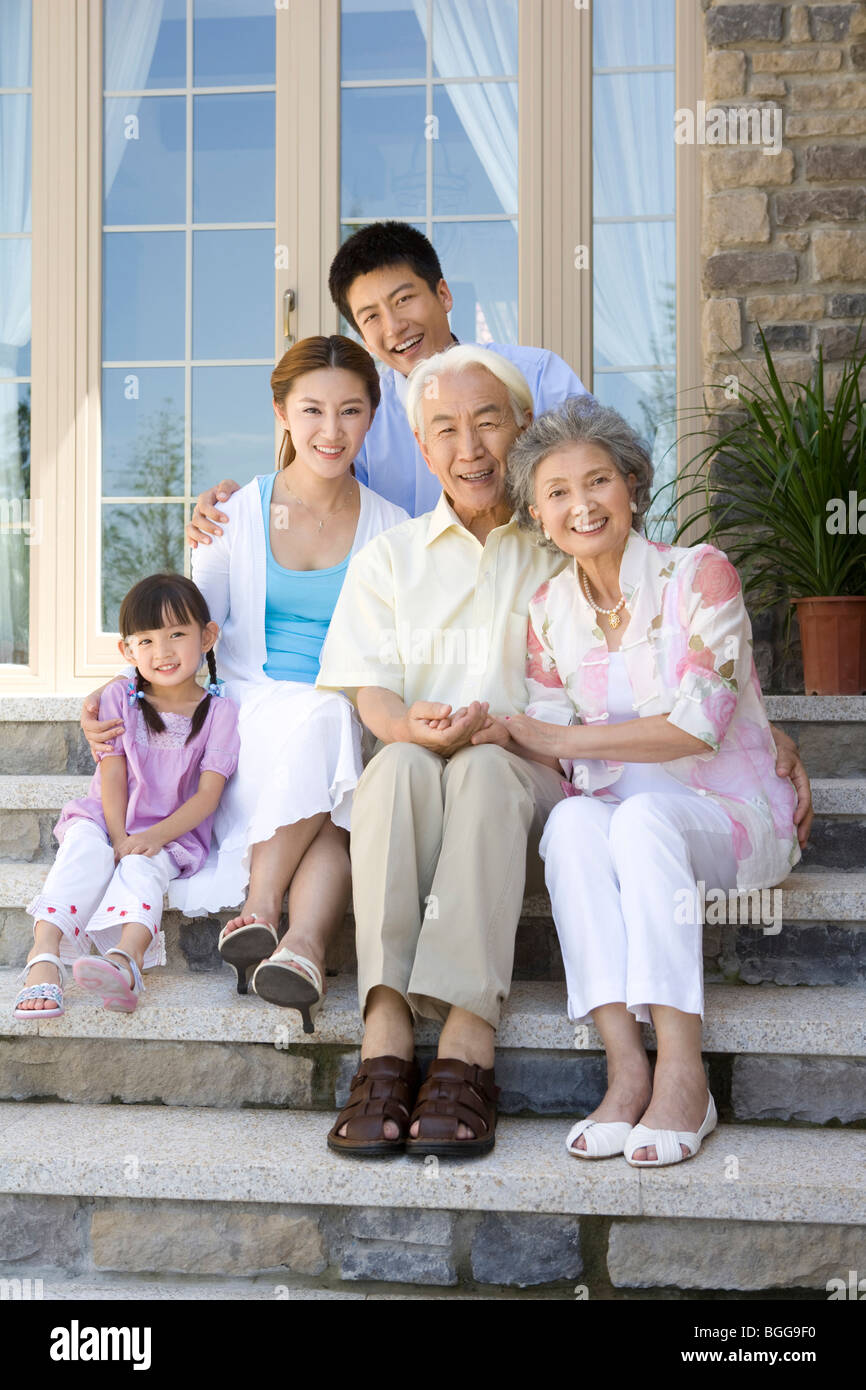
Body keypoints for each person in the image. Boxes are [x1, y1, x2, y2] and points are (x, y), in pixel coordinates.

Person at [314, 349, 812, 1161]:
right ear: (420, 444)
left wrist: (766, 736)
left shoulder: (618, 557)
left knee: (503, 775)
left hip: (584, 786)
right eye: (445, 429)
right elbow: (381, 698)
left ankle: (491, 1050)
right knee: (403, 769)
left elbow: (690, 703)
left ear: (519, 435)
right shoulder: (434, 570)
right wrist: (419, 726)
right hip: (522, 781)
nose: (469, 446)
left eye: (488, 423)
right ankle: (388, 1040)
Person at [500, 397, 801, 1167]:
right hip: (620, 820)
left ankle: (683, 1074)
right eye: (558, 493)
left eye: (598, 481)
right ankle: (625, 1067)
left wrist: (558, 736)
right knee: (570, 825)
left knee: (639, 823)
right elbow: (551, 749)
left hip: (729, 818)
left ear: (633, 485)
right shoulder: (547, 611)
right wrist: (490, 730)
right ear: (538, 515)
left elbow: (699, 725)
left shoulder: (699, 574)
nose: (582, 505)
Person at [80, 337, 407, 1031]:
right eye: (312, 409)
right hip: (250, 713)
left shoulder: (392, 529)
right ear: (281, 411)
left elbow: (392, 656)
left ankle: (296, 945)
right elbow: (189, 641)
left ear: (372, 417)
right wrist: (117, 699)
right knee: (332, 750)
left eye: (351, 411)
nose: (332, 429)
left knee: (335, 741)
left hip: (345, 713)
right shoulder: (228, 518)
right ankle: (267, 913)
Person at [184, 221, 591, 535]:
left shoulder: (535, 374)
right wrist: (237, 511)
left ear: (444, 295)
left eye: (404, 300)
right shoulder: (359, 411)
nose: (394, 327)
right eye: (371, 316)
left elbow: (595, 473)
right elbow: (312, 496)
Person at [15, 574, 239, 1019]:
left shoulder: (219, 712)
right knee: (83, 850)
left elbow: (208, 795)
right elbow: (113, 775)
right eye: (147, 640)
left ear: (207, 636)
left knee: (143, 867)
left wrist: (149, 838)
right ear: (127, 651)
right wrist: (118, 835)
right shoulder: (121, 697)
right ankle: (43, 956)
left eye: (178, 634)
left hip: (171, 829)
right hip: (106, 816)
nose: (163, 652)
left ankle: (126, 961)